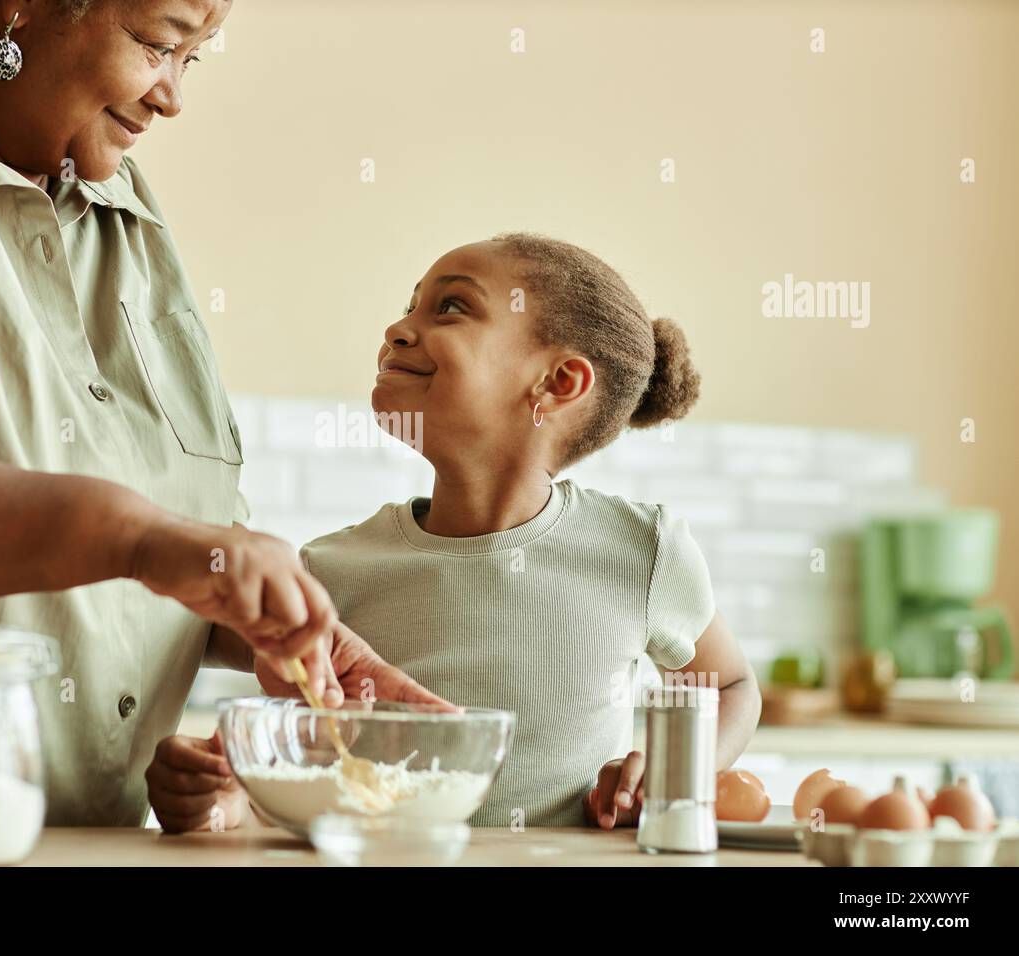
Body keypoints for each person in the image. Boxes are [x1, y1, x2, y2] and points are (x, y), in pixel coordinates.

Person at [0, 0, 441, 826]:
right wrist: (146, 542)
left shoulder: (115, 202)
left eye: (193, 60)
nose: (171, 97)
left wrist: (290, 642)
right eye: (158, 45)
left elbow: (165, 543)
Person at [147, 233, 762, 829]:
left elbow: (729, 683)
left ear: (557, 383)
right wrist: (228, 800)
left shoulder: (641, 550)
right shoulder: (329, 569)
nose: (397, 330)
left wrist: (678, 766)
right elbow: (307, 769)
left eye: (451, 307)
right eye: (409, 306)